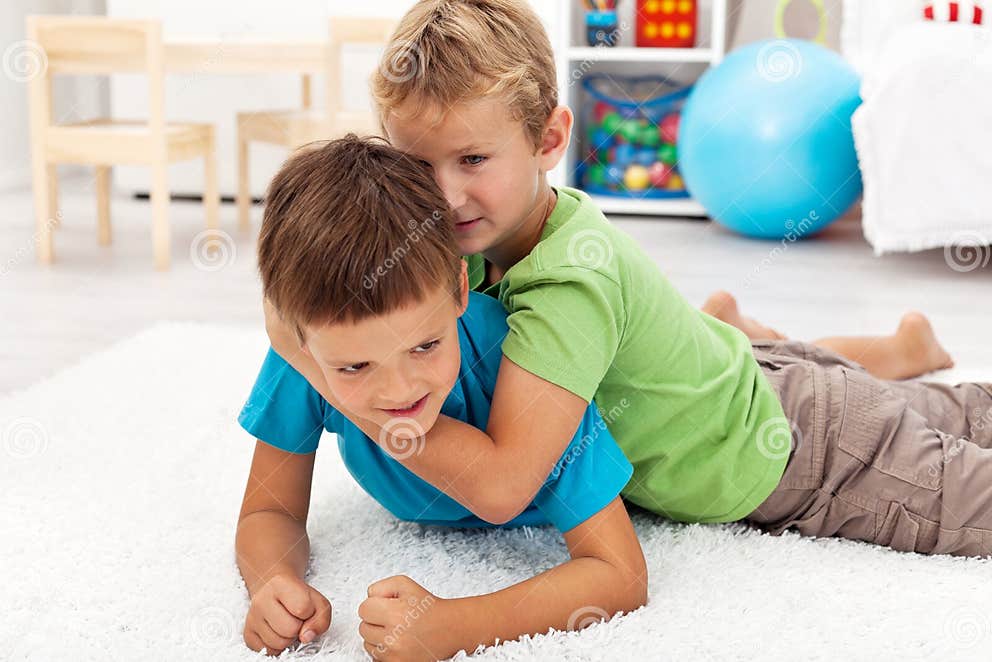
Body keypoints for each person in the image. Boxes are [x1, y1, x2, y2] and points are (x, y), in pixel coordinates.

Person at [236, 137, 647, 659]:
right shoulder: (302, 359)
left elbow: (620, 574)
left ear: (459, 288)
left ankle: (738, 330)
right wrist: (272, 581)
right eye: (355, 367)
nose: (399, 390)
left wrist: (459, 625)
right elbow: (267, 511)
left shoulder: (525, 366)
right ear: (300, 337)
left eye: (425, 346)